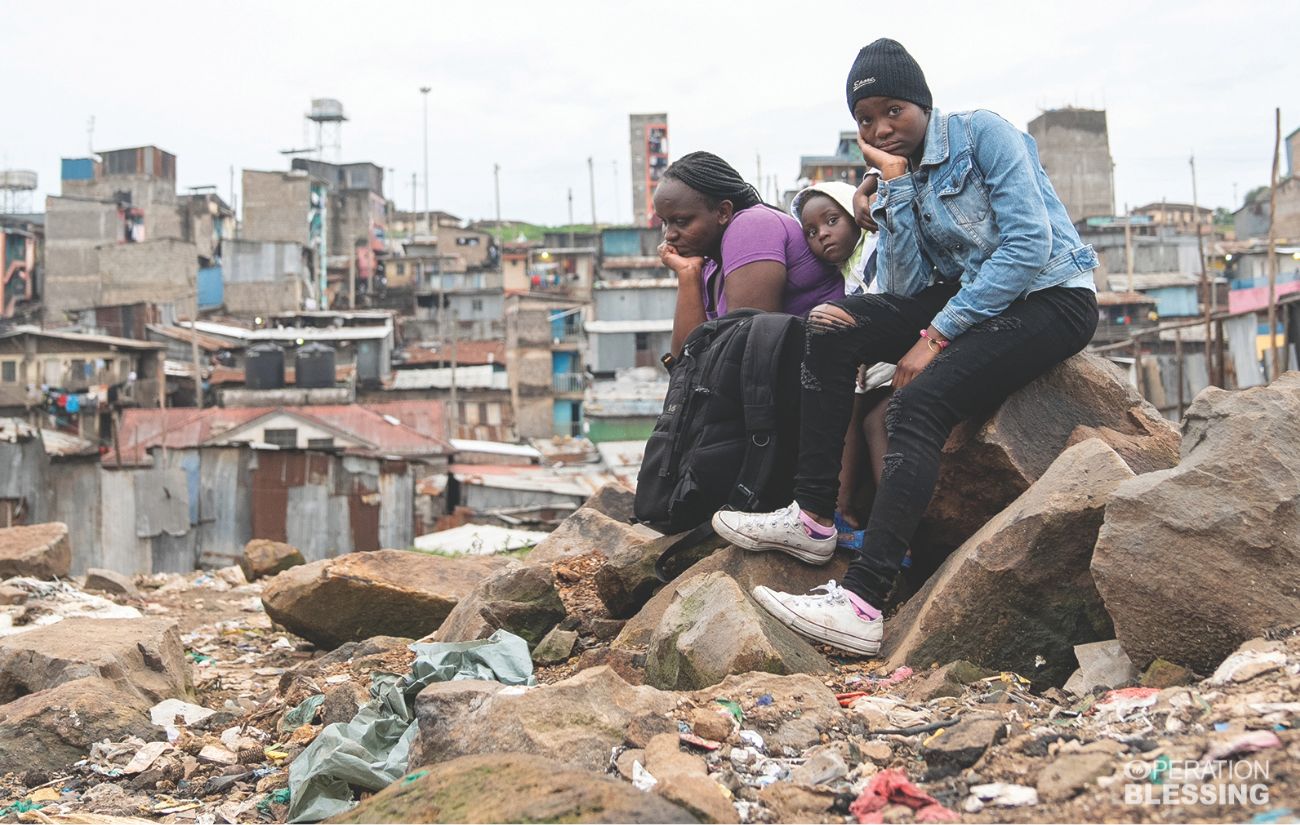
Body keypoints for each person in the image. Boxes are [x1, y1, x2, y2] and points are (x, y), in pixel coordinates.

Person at [712, 38, 1100, 656]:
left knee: (914, 406)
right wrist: (892, 192)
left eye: (894, 111)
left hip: (1051, 296)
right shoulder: (900, 172)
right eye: (866, 120)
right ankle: (814, 516)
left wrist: (935, 337)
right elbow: (913, 284)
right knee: (829, 323)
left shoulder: (984, 136)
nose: (882, 128)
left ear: (920, 101)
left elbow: (1028, 246)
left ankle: (864, 601)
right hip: (965, 293)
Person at [655, 152, 844, 357]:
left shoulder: (753, 226)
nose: (669, 235)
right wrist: (687, 274)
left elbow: (747, 354)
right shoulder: (710, 263)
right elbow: (683, 364)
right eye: (665, 222)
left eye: (681, 222)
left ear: (723, 212)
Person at [789, 181, 893, 537]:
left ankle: (892, 532)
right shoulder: (848, 270)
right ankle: (838, 509)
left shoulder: (879, 246)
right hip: (876, 364)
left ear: (855, 214)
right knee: (843, 410)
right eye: (812, 232)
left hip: (909, 348)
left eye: (833, 220)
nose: (823, 236)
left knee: (875, 422)